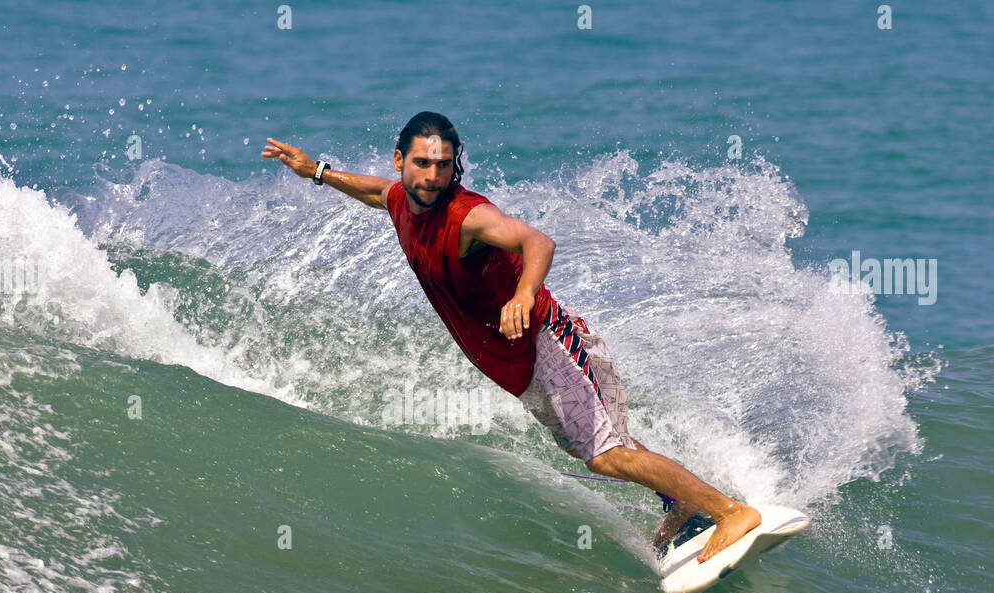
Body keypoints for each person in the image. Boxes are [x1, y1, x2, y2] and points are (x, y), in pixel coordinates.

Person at [262, 112, 760, 561]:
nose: (433, 177)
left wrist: (523, 295)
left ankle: (727, 511)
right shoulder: (402, 199)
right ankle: (680, 503)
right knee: (598, 444)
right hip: (517, 360)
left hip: (548, 340)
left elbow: (536, 240)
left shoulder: (465, 216)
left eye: (443, 165)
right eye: (421, 164)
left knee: (606, 454)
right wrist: (319, 172)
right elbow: (377, 192)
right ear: (400, 161)